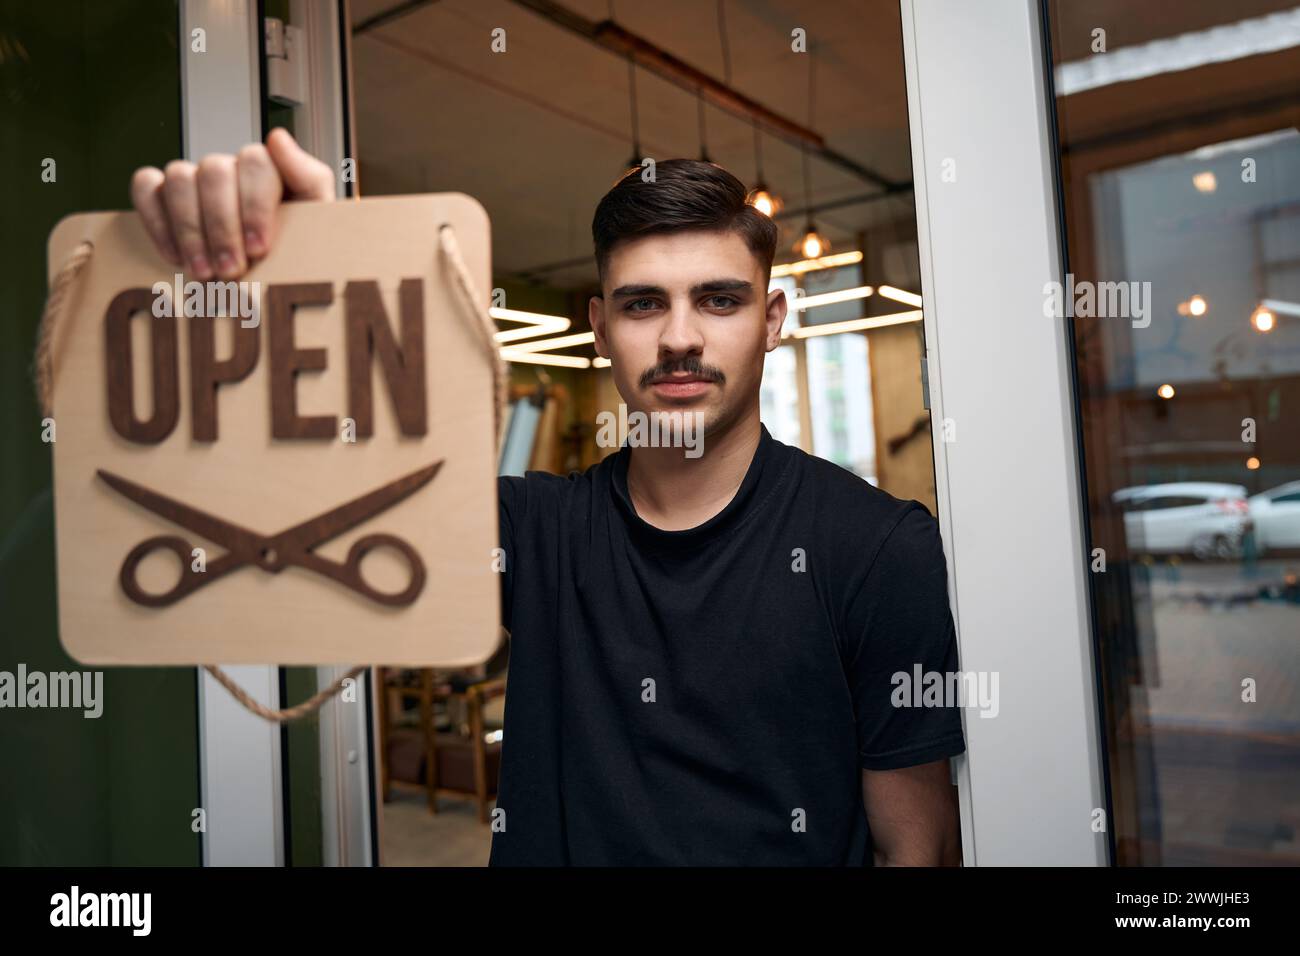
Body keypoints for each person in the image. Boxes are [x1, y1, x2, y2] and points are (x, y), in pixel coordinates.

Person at [130, 129, 967, 866]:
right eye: (645, 304)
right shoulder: (531, 531)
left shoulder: (878, 548)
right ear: (600, 328)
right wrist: (284, 280)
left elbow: (914, 850)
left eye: (719, 298)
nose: (680, 337)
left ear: (774, 317)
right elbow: (284, 498)